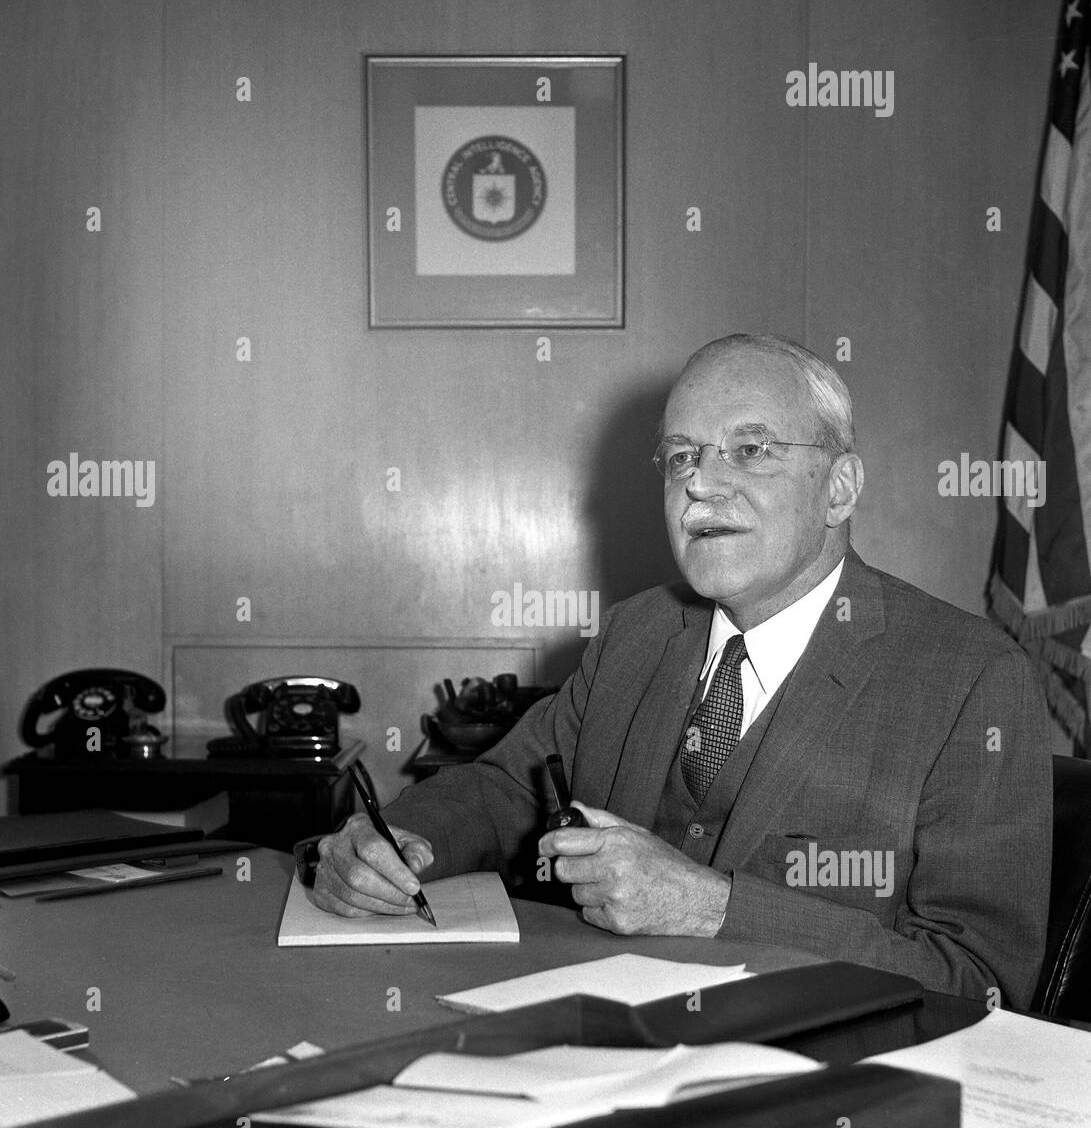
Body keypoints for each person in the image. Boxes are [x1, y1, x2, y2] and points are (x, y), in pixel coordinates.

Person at [314, 334, 1052, 1008]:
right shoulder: (638, 633)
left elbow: (979, 981)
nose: (699, 483)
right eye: (680, 456)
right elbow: (504, 786)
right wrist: (395, 840)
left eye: (750, 450)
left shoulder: (969, 678)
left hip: (822, 1096)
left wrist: (713, 907)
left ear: (839, 488)